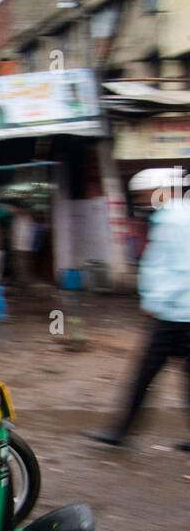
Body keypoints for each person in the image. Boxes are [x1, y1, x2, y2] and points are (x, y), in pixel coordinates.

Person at [85, 169, 190, 449]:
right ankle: (120, 431)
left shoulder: (173, 220)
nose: (143, 200)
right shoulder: (178, 215)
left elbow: (180, 268)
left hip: (175, 314)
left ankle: (119, 432)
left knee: (144, 376)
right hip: (179, 311)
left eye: (144, 194)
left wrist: (154, 302)